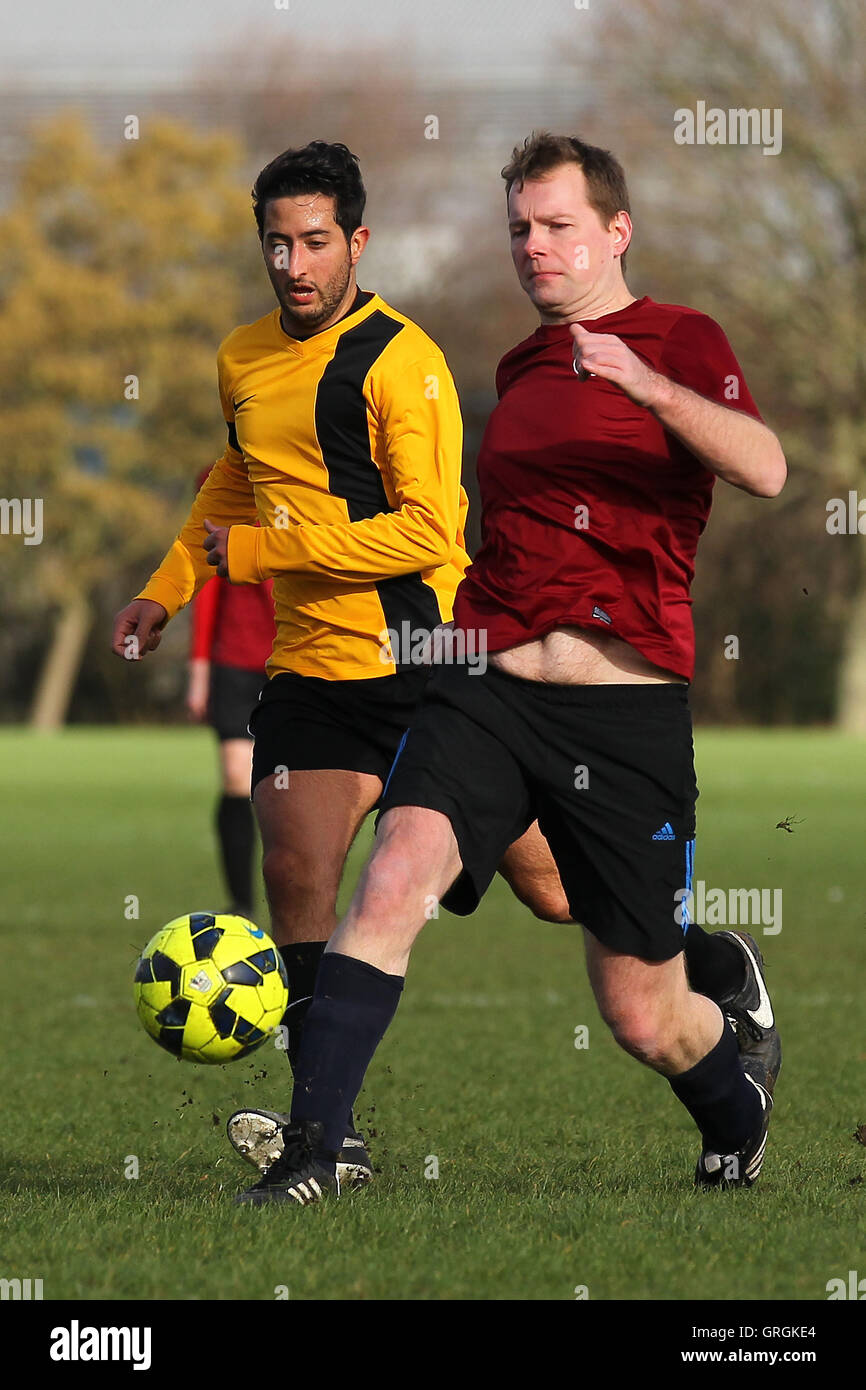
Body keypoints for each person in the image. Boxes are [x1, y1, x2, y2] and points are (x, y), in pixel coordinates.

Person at [233, 132, 787, 1207]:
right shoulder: (521, 366)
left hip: (621, 716)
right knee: (391, 880)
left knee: (640, 1013)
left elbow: (764, 466)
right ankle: (317, 1148)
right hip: (484, 688)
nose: (533, 248)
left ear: (614, 231)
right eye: (518, 230)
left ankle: (733, 1102)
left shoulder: (679, 336)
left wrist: (650, 386)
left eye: (556, 226)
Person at [111, 140, 573, 1189]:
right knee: (297, 872)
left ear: (356, 241)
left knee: (557, 891)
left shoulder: (399, 360)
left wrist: (269, 551)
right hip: (312, 673)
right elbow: (231, 488)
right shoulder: (241, 357)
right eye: (275, 242)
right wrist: (165, 589)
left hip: (428, 661)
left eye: (313, 240)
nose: (292, 262)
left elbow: (426, 530)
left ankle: (713, 968)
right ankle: (328, 1137)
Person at [186, 465, 276, 921]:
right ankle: (241, 904)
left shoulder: (317, 475)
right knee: (237, 780)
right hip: (236, 661)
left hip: (298, 658)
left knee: (295, 789)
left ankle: (296, 901)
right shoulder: (218, 480)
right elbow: (205, 581)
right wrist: (199, 667)